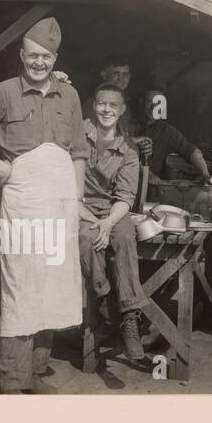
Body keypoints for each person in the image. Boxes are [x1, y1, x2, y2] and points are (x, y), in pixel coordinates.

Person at [0, 17, 87, 393]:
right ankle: (12, 381)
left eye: (47, 56)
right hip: (22, 201)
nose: (40, 63)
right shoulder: (3, 92)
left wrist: (77, 202)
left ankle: (36, 372)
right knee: (21, 288)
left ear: (55, 58)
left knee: (53, 286)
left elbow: (79, 153)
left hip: (61, 202)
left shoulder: (69, 95)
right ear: (21, 55)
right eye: (34, 55)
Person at [79, 83, 146, 360]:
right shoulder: (77, 134)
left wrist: (107, 223)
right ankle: (106, 302)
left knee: (125, 236)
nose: (107, 110)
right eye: (101, 103)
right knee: (85, 238)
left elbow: (125, 196)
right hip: (80, 206)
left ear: (122, 110)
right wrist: (95, 222)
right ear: (94, 105)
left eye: (113, 105)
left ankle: (129, 317)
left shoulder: (128, 148)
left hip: (113, 210)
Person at [125, 87, 212, 184]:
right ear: (141, 102)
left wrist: (204, 172)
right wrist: (146, 173)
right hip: (124, 180)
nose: (154, 107)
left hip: (149, 186)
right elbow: (116, 146)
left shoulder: (167, 130)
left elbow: (191, 150)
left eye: (159, 103)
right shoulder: (127, 123)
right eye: (150, 102)